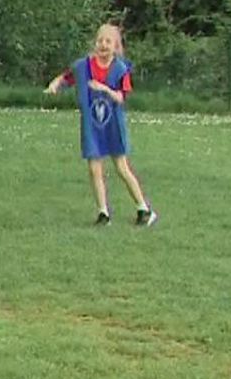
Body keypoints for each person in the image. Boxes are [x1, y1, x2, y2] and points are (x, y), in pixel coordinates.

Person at [45, 23, 156, 227]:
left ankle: (144, 209)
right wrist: (55, 84)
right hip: (92, 126)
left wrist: (104, 89)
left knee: (122, 168)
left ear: (116, 46)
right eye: (100, 41)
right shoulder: (83, 66)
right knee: (94, 169)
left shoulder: (120, 69)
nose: (103, 45)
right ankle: (103, 213)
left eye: (108, 41)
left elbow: (121, 97)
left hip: (112, 126)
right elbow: (67, 77)